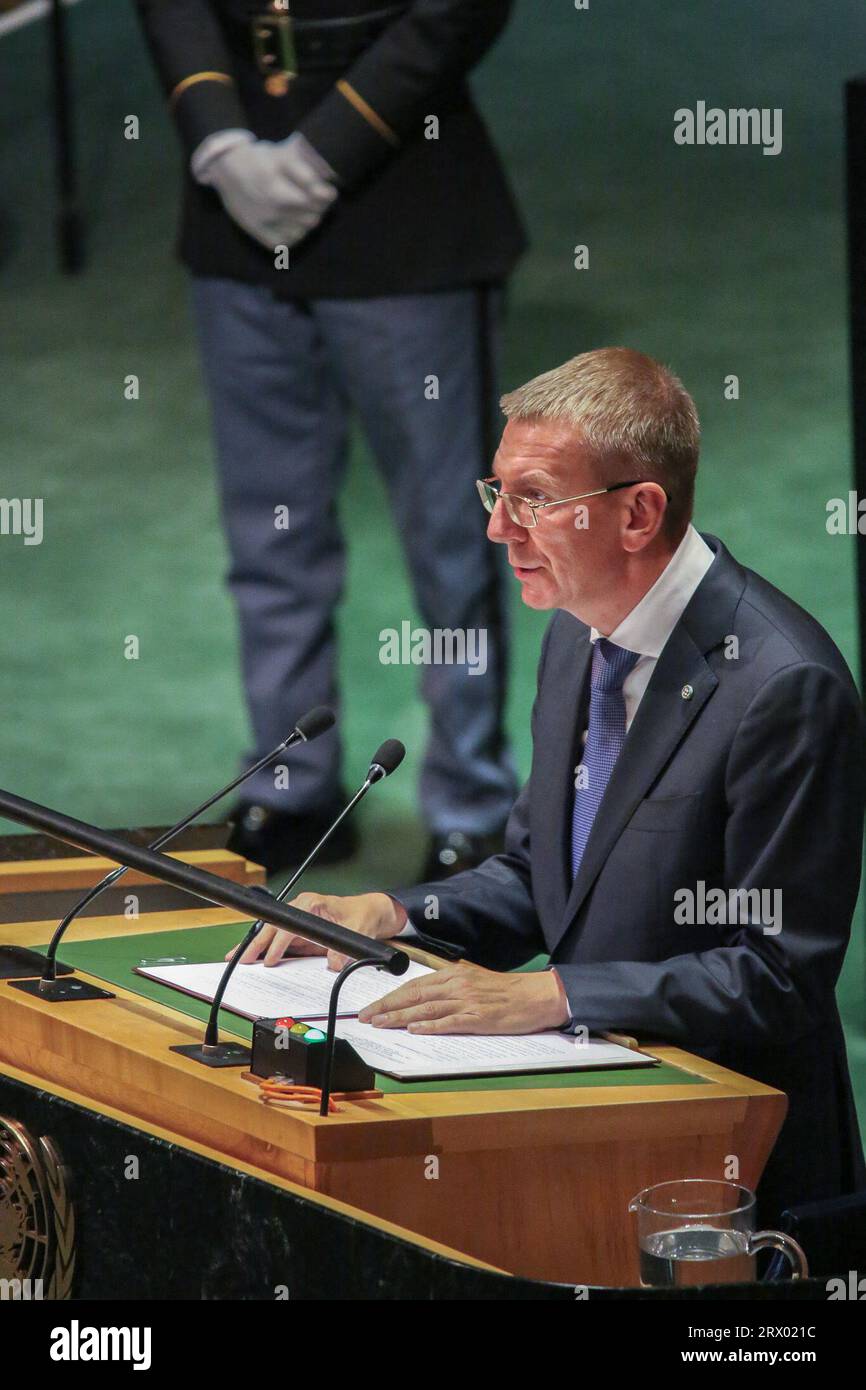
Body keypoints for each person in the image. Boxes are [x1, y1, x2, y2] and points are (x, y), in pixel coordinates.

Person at [233, 347, 866, 1223]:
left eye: (534, 499)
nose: (500, 530)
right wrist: (392, 916)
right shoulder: (579, 632)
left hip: (730, 1163)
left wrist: (552, 996)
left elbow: (775, 976)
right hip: (592, 1125)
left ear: (640, 514)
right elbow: (546, 878)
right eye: (498, 494)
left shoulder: (783, 686)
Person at [134, 0, 526, 875]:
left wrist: (322, 152)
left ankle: (473, 804)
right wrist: (218, 143)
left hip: (401, 193)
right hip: (234, 199)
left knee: (454, 538)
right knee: (268, 531)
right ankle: (291, 784)